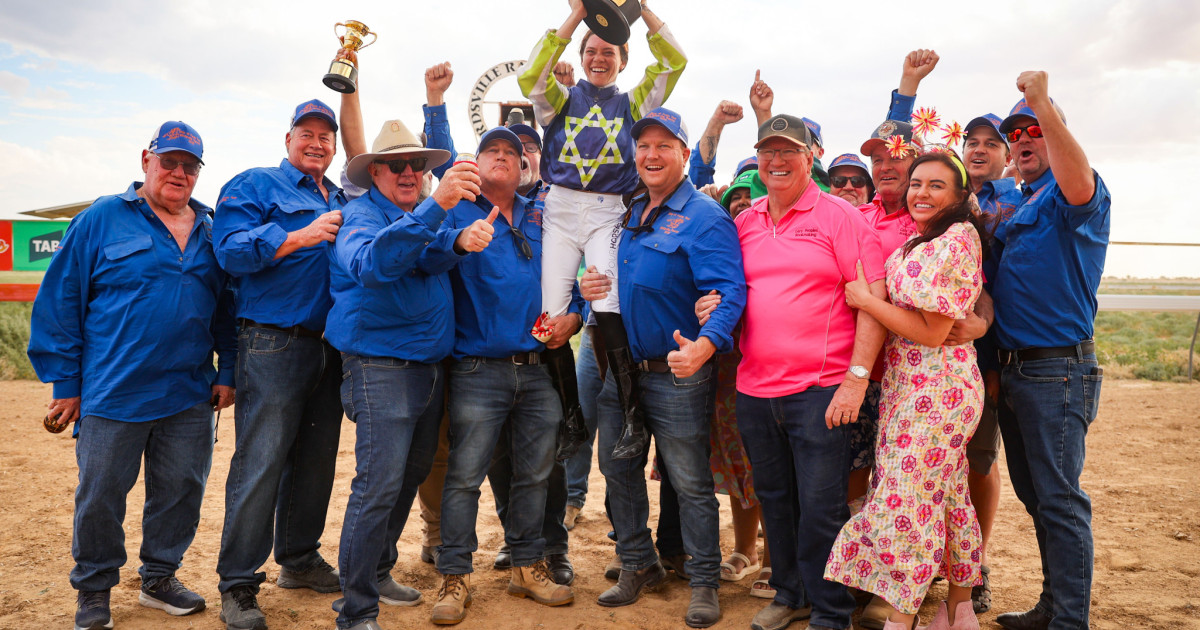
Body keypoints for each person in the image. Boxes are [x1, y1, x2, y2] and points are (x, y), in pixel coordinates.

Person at [28, 121, 236, 630]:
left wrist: (227, 369)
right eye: (170, 162)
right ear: (147, 159)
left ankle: (159, 578)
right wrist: (67, 385)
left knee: (182, 489)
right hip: (112, 391)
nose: (179, 173)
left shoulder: (211, 229)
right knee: (100, 495)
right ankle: (95, 590)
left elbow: (227, 311)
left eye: (190, 166)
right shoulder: (102, 218)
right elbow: (61, 302)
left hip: (188, 392)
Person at [579, 107, 745, 628]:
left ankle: (703, 580)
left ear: (683, 154)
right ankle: (637, 563)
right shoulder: (631, 210)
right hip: (623, 370)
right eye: (644, 147)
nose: (651, 155)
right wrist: (590, 291)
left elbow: (729, 291)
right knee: (618, 467)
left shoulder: (704, 216)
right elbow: (616, 281)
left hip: (678, 373)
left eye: (664, 146)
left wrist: (707, 343)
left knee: (690, 480)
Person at [416, 127, 580, 624]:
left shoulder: (543, 215)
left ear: (525, 164)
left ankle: (528, 566)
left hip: (536, 370)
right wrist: (460, 242)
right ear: (477, 161)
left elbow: (579, 276)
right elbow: (423, 258)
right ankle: (455, 576)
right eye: (493, 151)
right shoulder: (455, 210)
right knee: (464, 476)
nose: (504, 158)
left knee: (535, 474)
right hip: (475, 369)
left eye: (512, 152)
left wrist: (575, 317)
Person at [733, 114, 887, 630]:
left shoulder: (841, 217)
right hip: (755, 387)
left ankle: (831, 609)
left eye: (788, 152)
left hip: (821, 389)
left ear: (810, 158)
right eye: (767, 151)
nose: (776, 161)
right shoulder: (748, 219)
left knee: (822, 506)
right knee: (774, 497)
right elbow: (735, 290)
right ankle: (789, 592)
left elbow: (872, 300)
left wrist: (857, 377)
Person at [826, 150, 988, 630]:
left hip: (939, 391)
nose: (921, 192)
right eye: (917, 183)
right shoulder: (917, 243)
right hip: (910, 387)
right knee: (949, 494)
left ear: (959, 195)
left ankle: (901, 616)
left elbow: (933, 332)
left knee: (906, 501)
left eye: (936, 185)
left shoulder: (957, 239)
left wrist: (866, 303)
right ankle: (959, 610)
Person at [325, 119, 475, 630]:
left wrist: (455, 242)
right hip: (380, 368)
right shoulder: (358, 216)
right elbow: (372, 264)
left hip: (426, 369)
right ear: (375, 173)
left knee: (406, 477)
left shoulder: (412, 215)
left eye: (416, 164)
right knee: (378, 485)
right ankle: (356, 608)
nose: (409, 172)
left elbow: (428, 256)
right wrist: (439, 210)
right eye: (396, 164)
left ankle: (377, 573)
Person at [520, 0, 686, 460]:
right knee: (548, 317)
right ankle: (571, 417)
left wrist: (645, 10)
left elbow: (675, 61)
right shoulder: (557, 99)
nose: (598, 58)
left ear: (623, 61)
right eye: (592, 50)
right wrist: (577, 14)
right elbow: (530, 76)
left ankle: (634, 413)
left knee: (608, 302)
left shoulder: (634, 102)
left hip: (610, 212)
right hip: (559, 209)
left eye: (609, 52)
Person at [211, 99, 347, 630]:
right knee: (261, 460)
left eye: (326, 137)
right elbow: (230, 252)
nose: (317, 143)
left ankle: (298, 557)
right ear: (288, 139)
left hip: (327, 346)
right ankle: (239, 584)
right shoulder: (255, 184)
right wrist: (298, 236)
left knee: (316, 460)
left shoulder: (338, 195)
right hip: (271, 341)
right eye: (307, 133)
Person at [991, 73, 1110, 630]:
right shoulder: (1020, 202)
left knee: (1061, 502)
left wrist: (1041, 101)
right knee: (1038, 498)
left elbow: (1078, 177)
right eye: (1016, 133)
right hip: (1016, 372)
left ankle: (1070, 622)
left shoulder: (1074, 192)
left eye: (1035, 129)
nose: (1023, 139)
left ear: (1056, 131)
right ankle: (1052, 607)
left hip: (1057, 369)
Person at [949, 112, 1024, 614]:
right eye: (970, 142)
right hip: (926, 352)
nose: (978, 150)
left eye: (990, 143)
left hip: (983, 351)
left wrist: (992, 355)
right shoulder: (941, 195)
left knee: (979, 461)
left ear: (1008, 154)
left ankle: (976, 566)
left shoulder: (1016, 201)